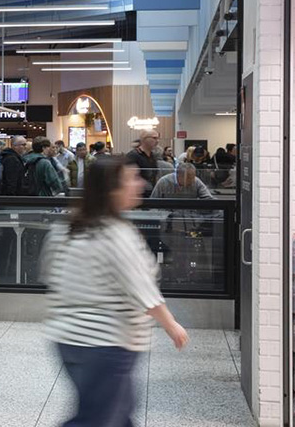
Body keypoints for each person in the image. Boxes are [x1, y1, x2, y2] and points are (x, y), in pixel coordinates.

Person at [42, 158, 189, 425]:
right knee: (98, 419)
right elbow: (141, 287)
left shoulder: (66, 227)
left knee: (116, 415)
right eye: (131, 179)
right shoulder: (116, 234)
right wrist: (171, 325)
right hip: (106, 342)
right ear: (111, 190)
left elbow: (50, 273)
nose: (140, 184)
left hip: (68, 339)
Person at [150, 163, 215, 200]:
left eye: (193, 177)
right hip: (167, 214)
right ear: (178, 175)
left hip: (190, 215)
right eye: (189, 178)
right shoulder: (164, 182)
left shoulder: (196, 181)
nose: (192, 181)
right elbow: (153, 200)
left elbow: (209, 199)